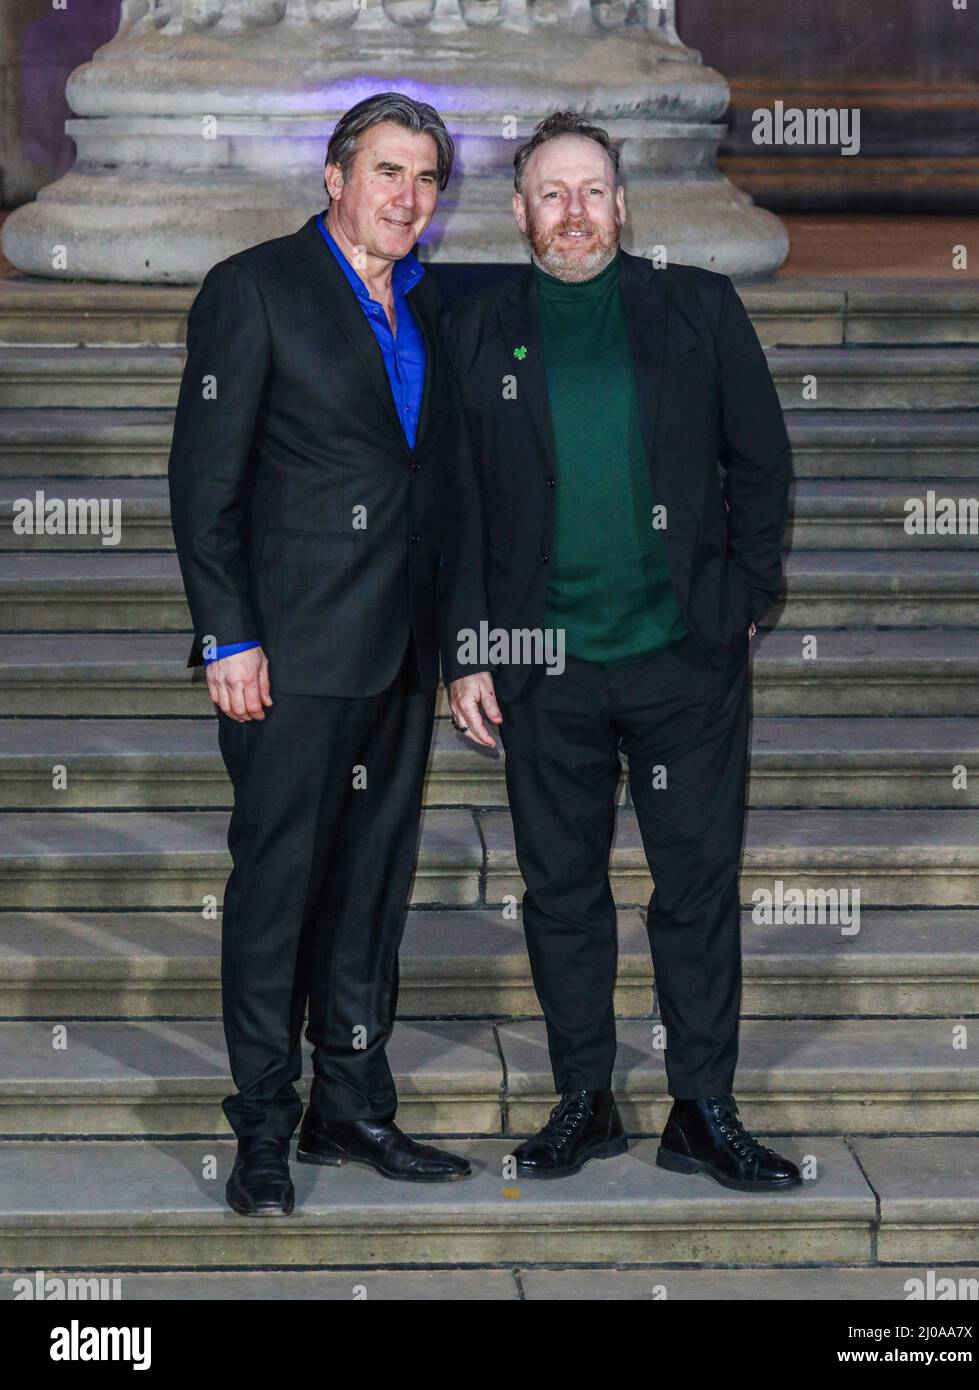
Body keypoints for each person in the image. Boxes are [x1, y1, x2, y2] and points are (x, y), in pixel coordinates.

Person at [442, 111, 801, 1192]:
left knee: (693, 888)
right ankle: (582, 1099)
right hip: (540, 664)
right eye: (551, 193)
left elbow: (762, 466)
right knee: (560, 893)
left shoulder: (694, 307)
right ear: (519, 213)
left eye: (592, 190)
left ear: (622, 204)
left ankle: (700, 1105)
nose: (573, 212)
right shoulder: (478, 329)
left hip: (679, 657)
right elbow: (452, 508)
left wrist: (740, 599)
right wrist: (467, 651)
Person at [169, 92, 483, 1216]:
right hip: (289, 656)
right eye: (388, 171)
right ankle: (261, 1122)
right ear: (334, 176)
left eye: (426, 179)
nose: (407, 197)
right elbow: (204, 486)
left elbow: (438, 491)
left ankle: (349, 1100)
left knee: (370, 889)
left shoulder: (431, 303)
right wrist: (230, 632)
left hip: (396, 655)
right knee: (278, 890)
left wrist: (455, 650)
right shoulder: (254, 290)